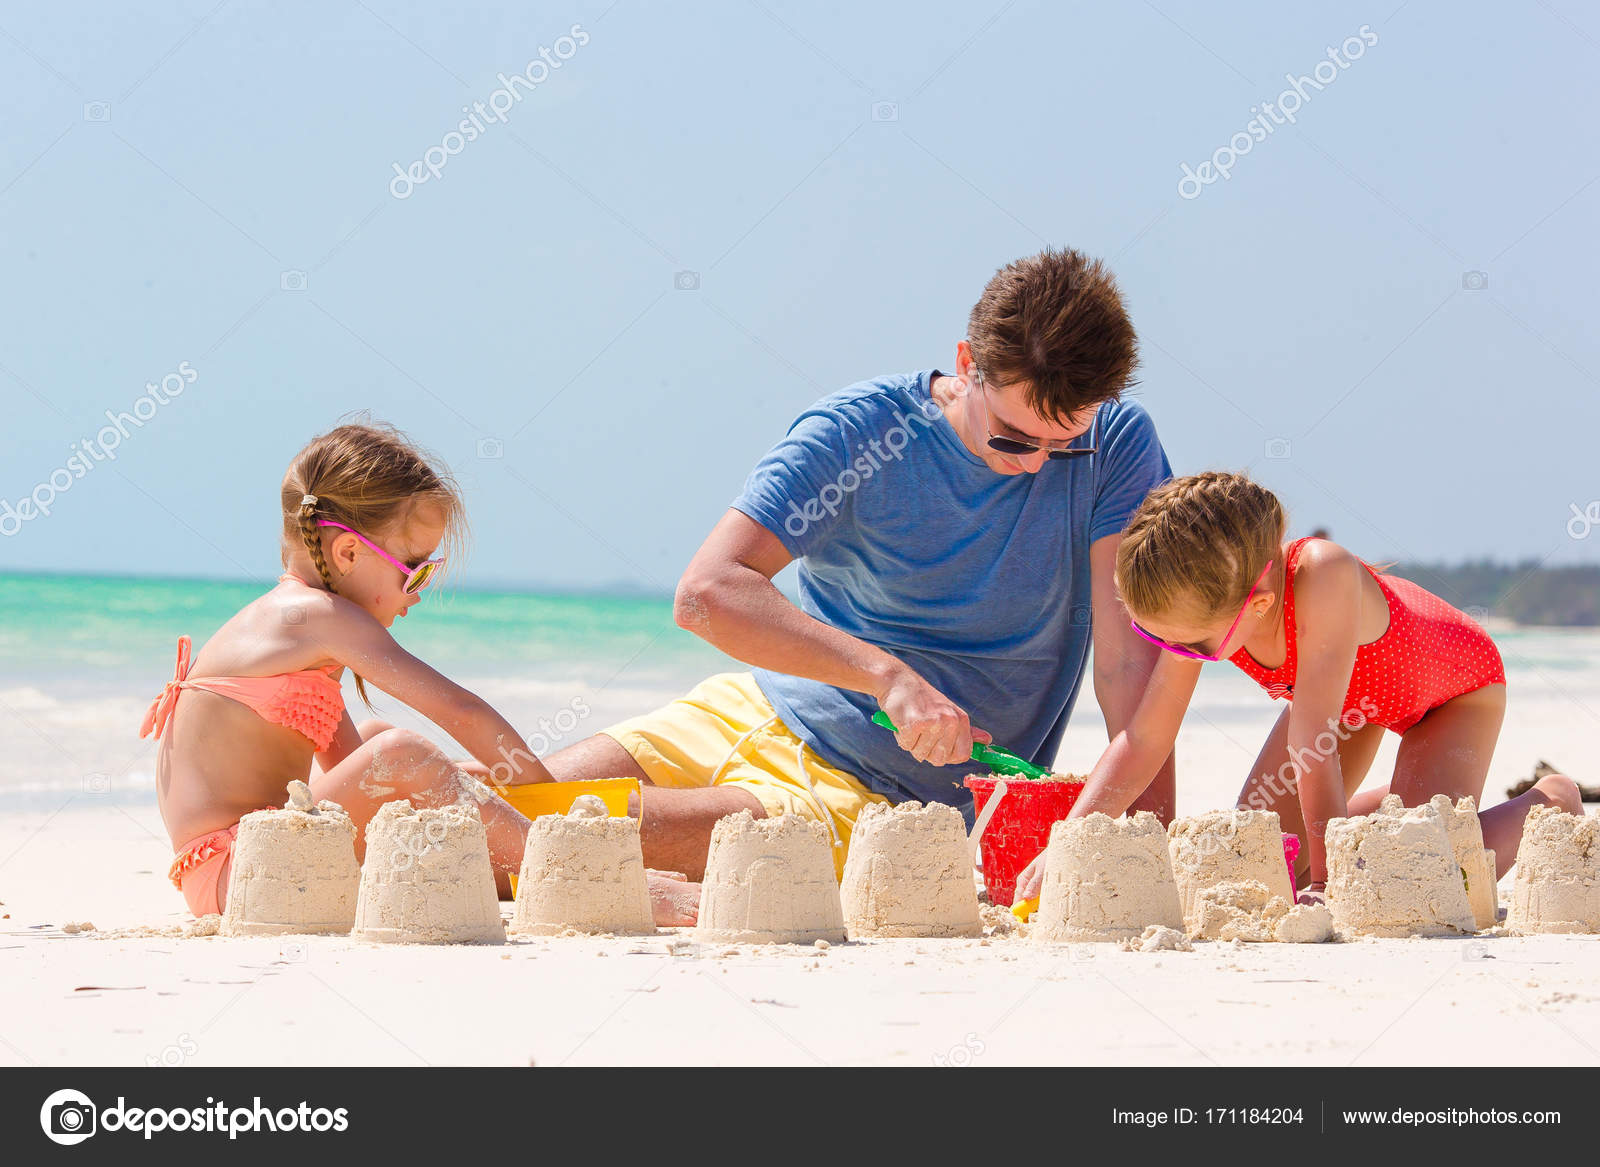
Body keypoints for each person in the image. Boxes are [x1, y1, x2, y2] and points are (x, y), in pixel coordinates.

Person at [541, 249, 1175, 878]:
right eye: (1014, 437)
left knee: (554, 846)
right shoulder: (862, 432)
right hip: (749, 710)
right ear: (966, 365)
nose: (1035, 463)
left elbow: (1129, 666)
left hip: (876, 796)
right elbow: (707, 593)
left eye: (1061, 444)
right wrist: (891, 680)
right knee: (494, 807)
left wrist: (1153, 839)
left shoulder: (1116, 446)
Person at [140, 421, 696, 922]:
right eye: (416, 571)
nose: (418, 595)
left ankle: (528, 867)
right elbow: (459, 709)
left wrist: (473, 791)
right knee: (401, 752)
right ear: (348, 555)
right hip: (240, 873)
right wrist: (551, 806)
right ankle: (574, 872)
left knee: (383, 746)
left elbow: (354, 775)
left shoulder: (297, 630)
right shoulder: (313, 616)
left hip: (248, 866)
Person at [1015, 471, 1582, 903]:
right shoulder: (1206, 608)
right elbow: (1143, 739)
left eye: (1193, 648)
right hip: (1349, 705)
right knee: (1256, 862)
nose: (1181, 654)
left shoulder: (1323, 573)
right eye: (1157, 637)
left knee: (1414, 880)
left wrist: (1334, 883)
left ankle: (1550, 799)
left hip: (1453, 693)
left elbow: (1312, 742)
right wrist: (1067, 842)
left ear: (1257, 605)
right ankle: (1391, 812)